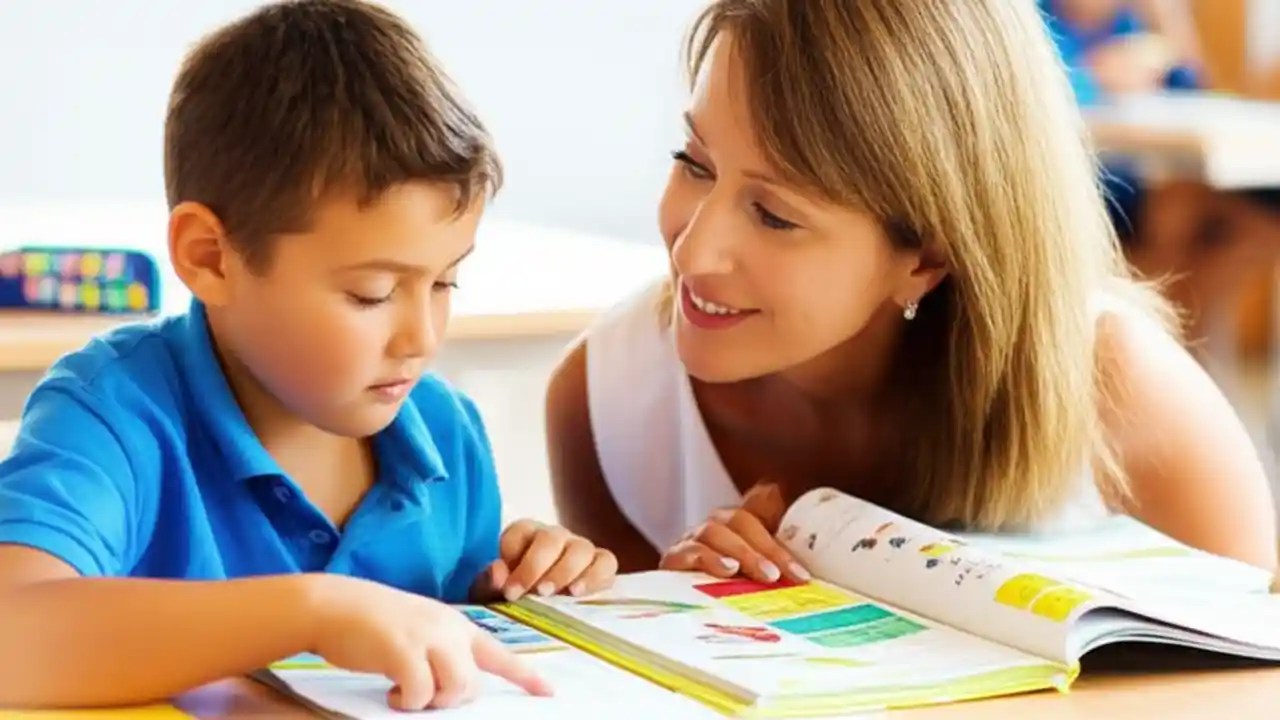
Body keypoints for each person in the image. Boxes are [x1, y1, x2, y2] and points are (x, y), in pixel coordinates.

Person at [0, 0, 615, 712]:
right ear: (211, 258)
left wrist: (508, 590)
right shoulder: (113, 412)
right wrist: (311, 611)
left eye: (445, 281)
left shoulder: (445, 432)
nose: (422, 336)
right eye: (371, 293)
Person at [545, 0, 1277, 586]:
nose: (692, 250)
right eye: (694, 162)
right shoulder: (607, 405)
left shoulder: (1121, 393)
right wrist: (684, 615)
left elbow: (1249, 685)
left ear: (928, 255)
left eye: (775, 215)